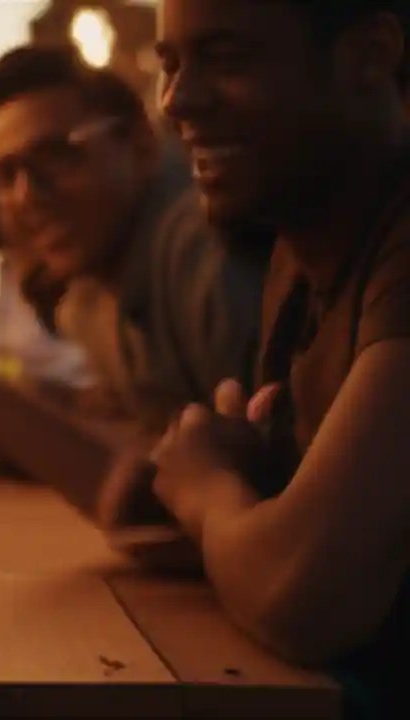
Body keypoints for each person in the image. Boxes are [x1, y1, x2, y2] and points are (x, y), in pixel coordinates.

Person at [99, 1, 410, 715]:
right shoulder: (300, 245)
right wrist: (235, 498)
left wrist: (210, 496)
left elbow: (306, 595)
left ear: (369, 56)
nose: (177, 102)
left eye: (228, 58)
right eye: (170, 65)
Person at [0, 45, 264, 428]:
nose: (26, 196)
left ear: (140, 144)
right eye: (6, 175)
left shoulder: (206, 255)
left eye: (56, 155)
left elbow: (280, 469)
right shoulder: (88, 297)